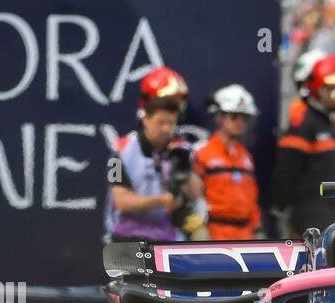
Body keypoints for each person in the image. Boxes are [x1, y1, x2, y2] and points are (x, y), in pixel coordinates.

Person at [104, 66, 201, 243]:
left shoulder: (183, 148)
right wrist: (162, 200)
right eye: (160, 122)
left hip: (169, 240)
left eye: (170, 122)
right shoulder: (119, 149)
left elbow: (196, 195)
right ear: (146, 118)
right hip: (127, 238)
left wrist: (186, 167)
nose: (166, 129)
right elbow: (120, 201)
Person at [270, 51, 335, 236]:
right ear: (317, 87)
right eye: (332, 88)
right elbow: (286, 172)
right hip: (309, 222)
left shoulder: (333, 124)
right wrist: (281, 207)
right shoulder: (303, 123)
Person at [192, 84, 260, 240]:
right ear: (219, 117)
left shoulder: (246, 157)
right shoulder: (202, 153)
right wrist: (198, 230)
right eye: (234, 116)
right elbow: (194, 198)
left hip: (246, 235)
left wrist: (257, 228)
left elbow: (252, 198)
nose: (240, 122)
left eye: (245, 117)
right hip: (214, 234)